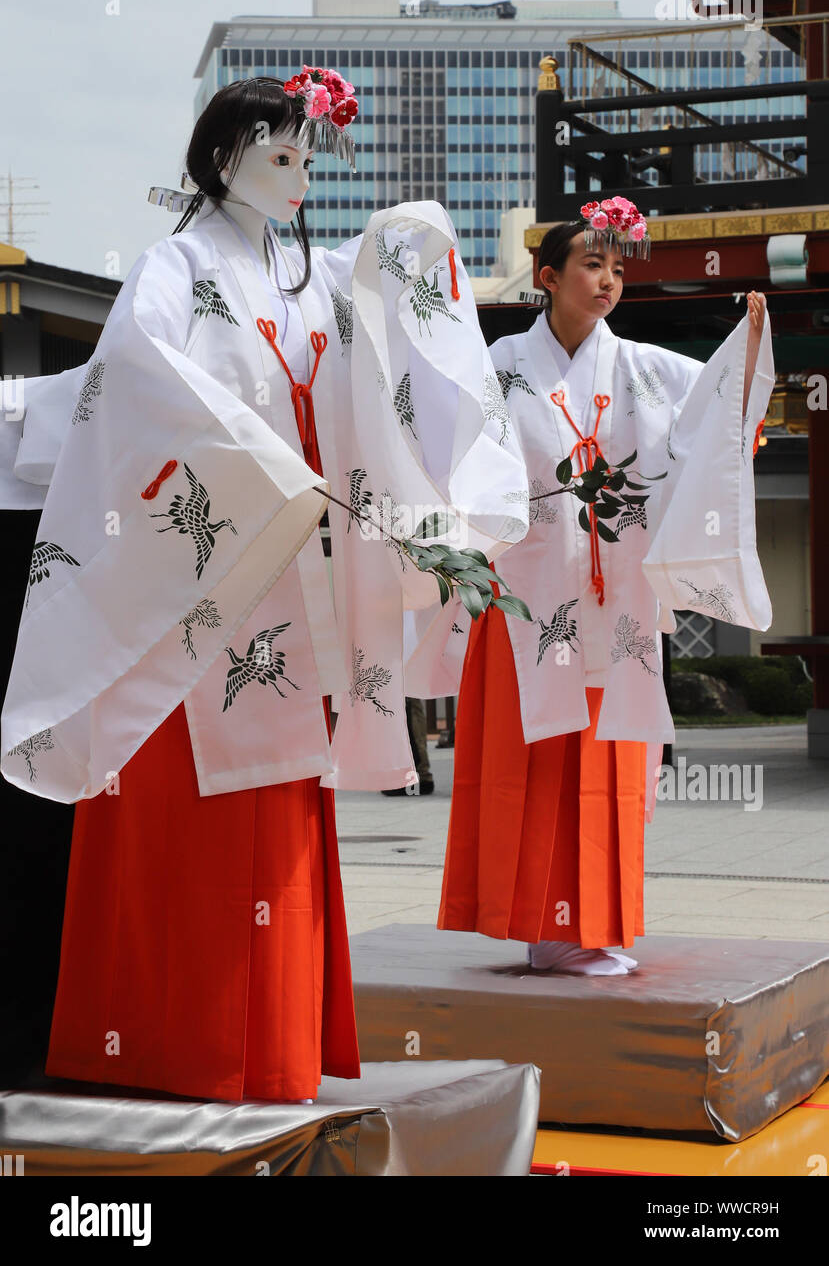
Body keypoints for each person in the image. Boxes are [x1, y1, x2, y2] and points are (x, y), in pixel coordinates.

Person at [0, 73, 528, 1101]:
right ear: (218, 159)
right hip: (198, 581)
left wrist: (411, 236)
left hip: (292, 576)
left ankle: (270, 1045)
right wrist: (256, 460)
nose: (296, 176)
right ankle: (175, 1045)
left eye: (304, 157)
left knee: (280, 803)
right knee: (187, 816)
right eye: (276, 155)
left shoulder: (309, 278)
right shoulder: (172, 267)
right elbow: (141, 386)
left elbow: (386, 333)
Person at [432, 196, 774, 975]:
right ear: (546, 277)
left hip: (613, 600)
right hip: (524, 600)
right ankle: (539, 925)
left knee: (607, 765)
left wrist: (746, 350)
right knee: (532, 765)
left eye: (619, 268)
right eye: (592, 264)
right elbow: (443, 448)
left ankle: (594, 927)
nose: (609, 279)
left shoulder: (644, 370)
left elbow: (720, 420)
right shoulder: (497, 370)